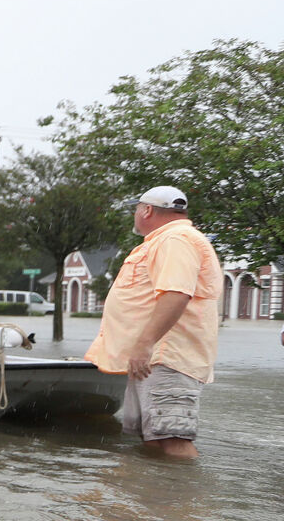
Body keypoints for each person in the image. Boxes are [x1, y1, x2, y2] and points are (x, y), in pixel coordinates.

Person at [82, 186, 222, 459]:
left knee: (172, 439)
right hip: (152, 358)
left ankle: (183, 499)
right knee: (154, 439)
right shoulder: (165, 240)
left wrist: (145, 344)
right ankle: (156, 497)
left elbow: (177, 293)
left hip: (165, 357)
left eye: (136, 208)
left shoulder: (176, 240)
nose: (135, 214)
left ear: (146, 210)